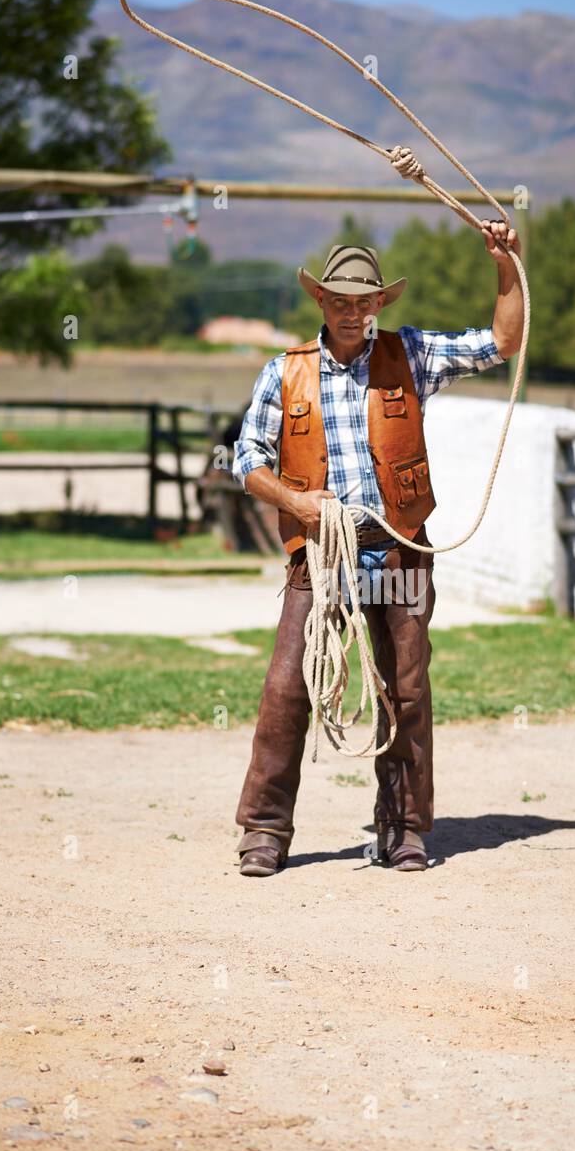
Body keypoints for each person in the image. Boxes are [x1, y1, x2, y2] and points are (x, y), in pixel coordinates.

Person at [232, 225, 524, 876]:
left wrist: (506, 268)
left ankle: (403, 831)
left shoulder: (412, 354)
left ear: (379, 306)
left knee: (406, 690)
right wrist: (299, 504)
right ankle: (264, 831)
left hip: (398, 553)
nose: (351, 309)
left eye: (363, 300)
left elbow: (502, 342)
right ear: (320, 301)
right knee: (287, 689)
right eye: (339, 297)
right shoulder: (284, 373)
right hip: (319, 551)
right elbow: (247, 461)